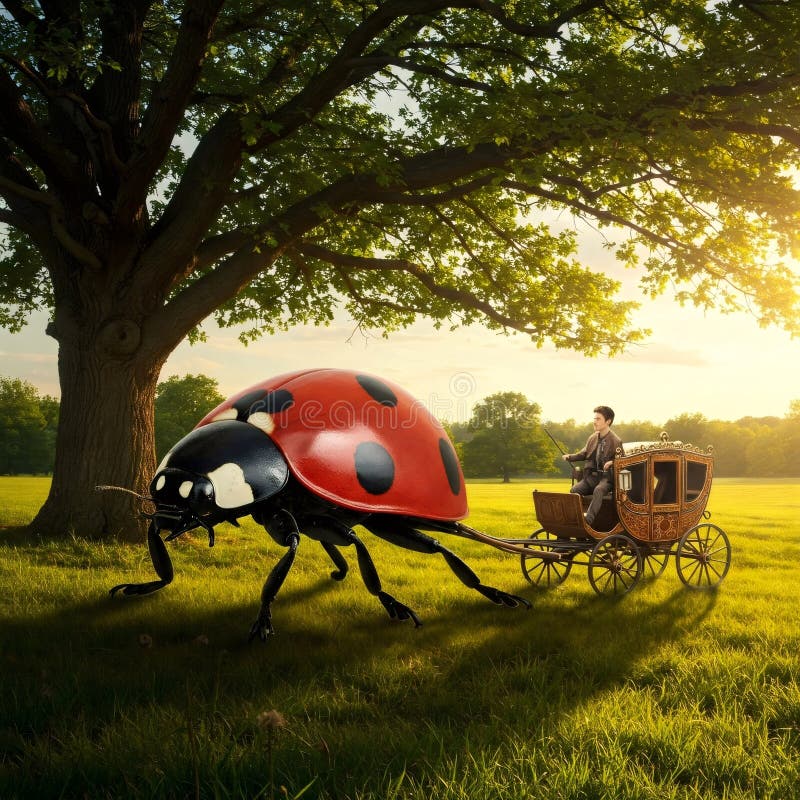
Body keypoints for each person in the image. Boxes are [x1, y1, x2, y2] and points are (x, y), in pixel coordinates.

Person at [563, 406, 623, 527]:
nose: (594, 421)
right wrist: (570, 457)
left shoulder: (616, 441)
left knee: (599, 490)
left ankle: (588, 521)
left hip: (606, 479)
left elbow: (623, 461)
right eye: (594, 418)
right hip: (591, 478)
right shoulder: (592, 437)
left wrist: (612, 462)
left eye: (598, 419)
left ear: (608, 421)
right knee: (575, 490)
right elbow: (584, 453)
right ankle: (574, 518)